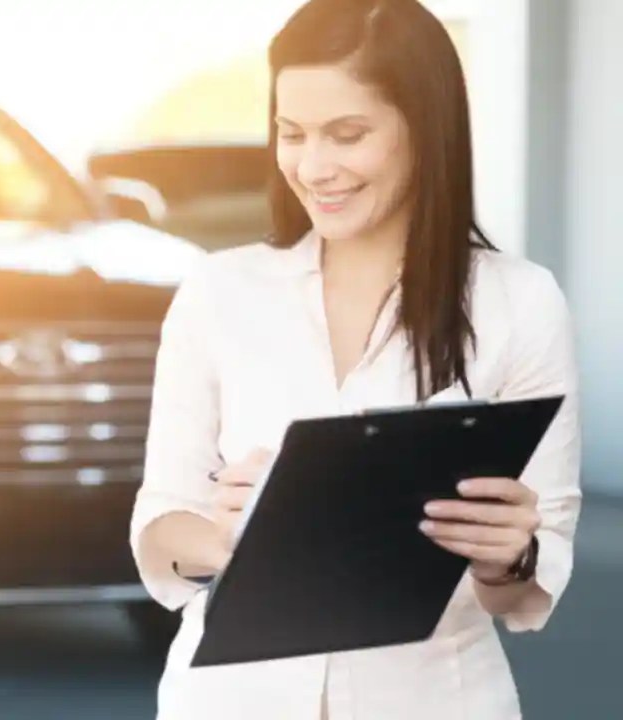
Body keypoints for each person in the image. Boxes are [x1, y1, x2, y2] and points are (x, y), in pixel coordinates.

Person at [129, 0, 582, 718]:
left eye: (347, 135)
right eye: (292, 134)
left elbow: (526, 583)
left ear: (425, 127)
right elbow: (162, 525)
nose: (314, 167)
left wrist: (507, 556)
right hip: (231, 700)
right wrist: (237, 538)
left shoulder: (519, 303)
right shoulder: (218, 292)